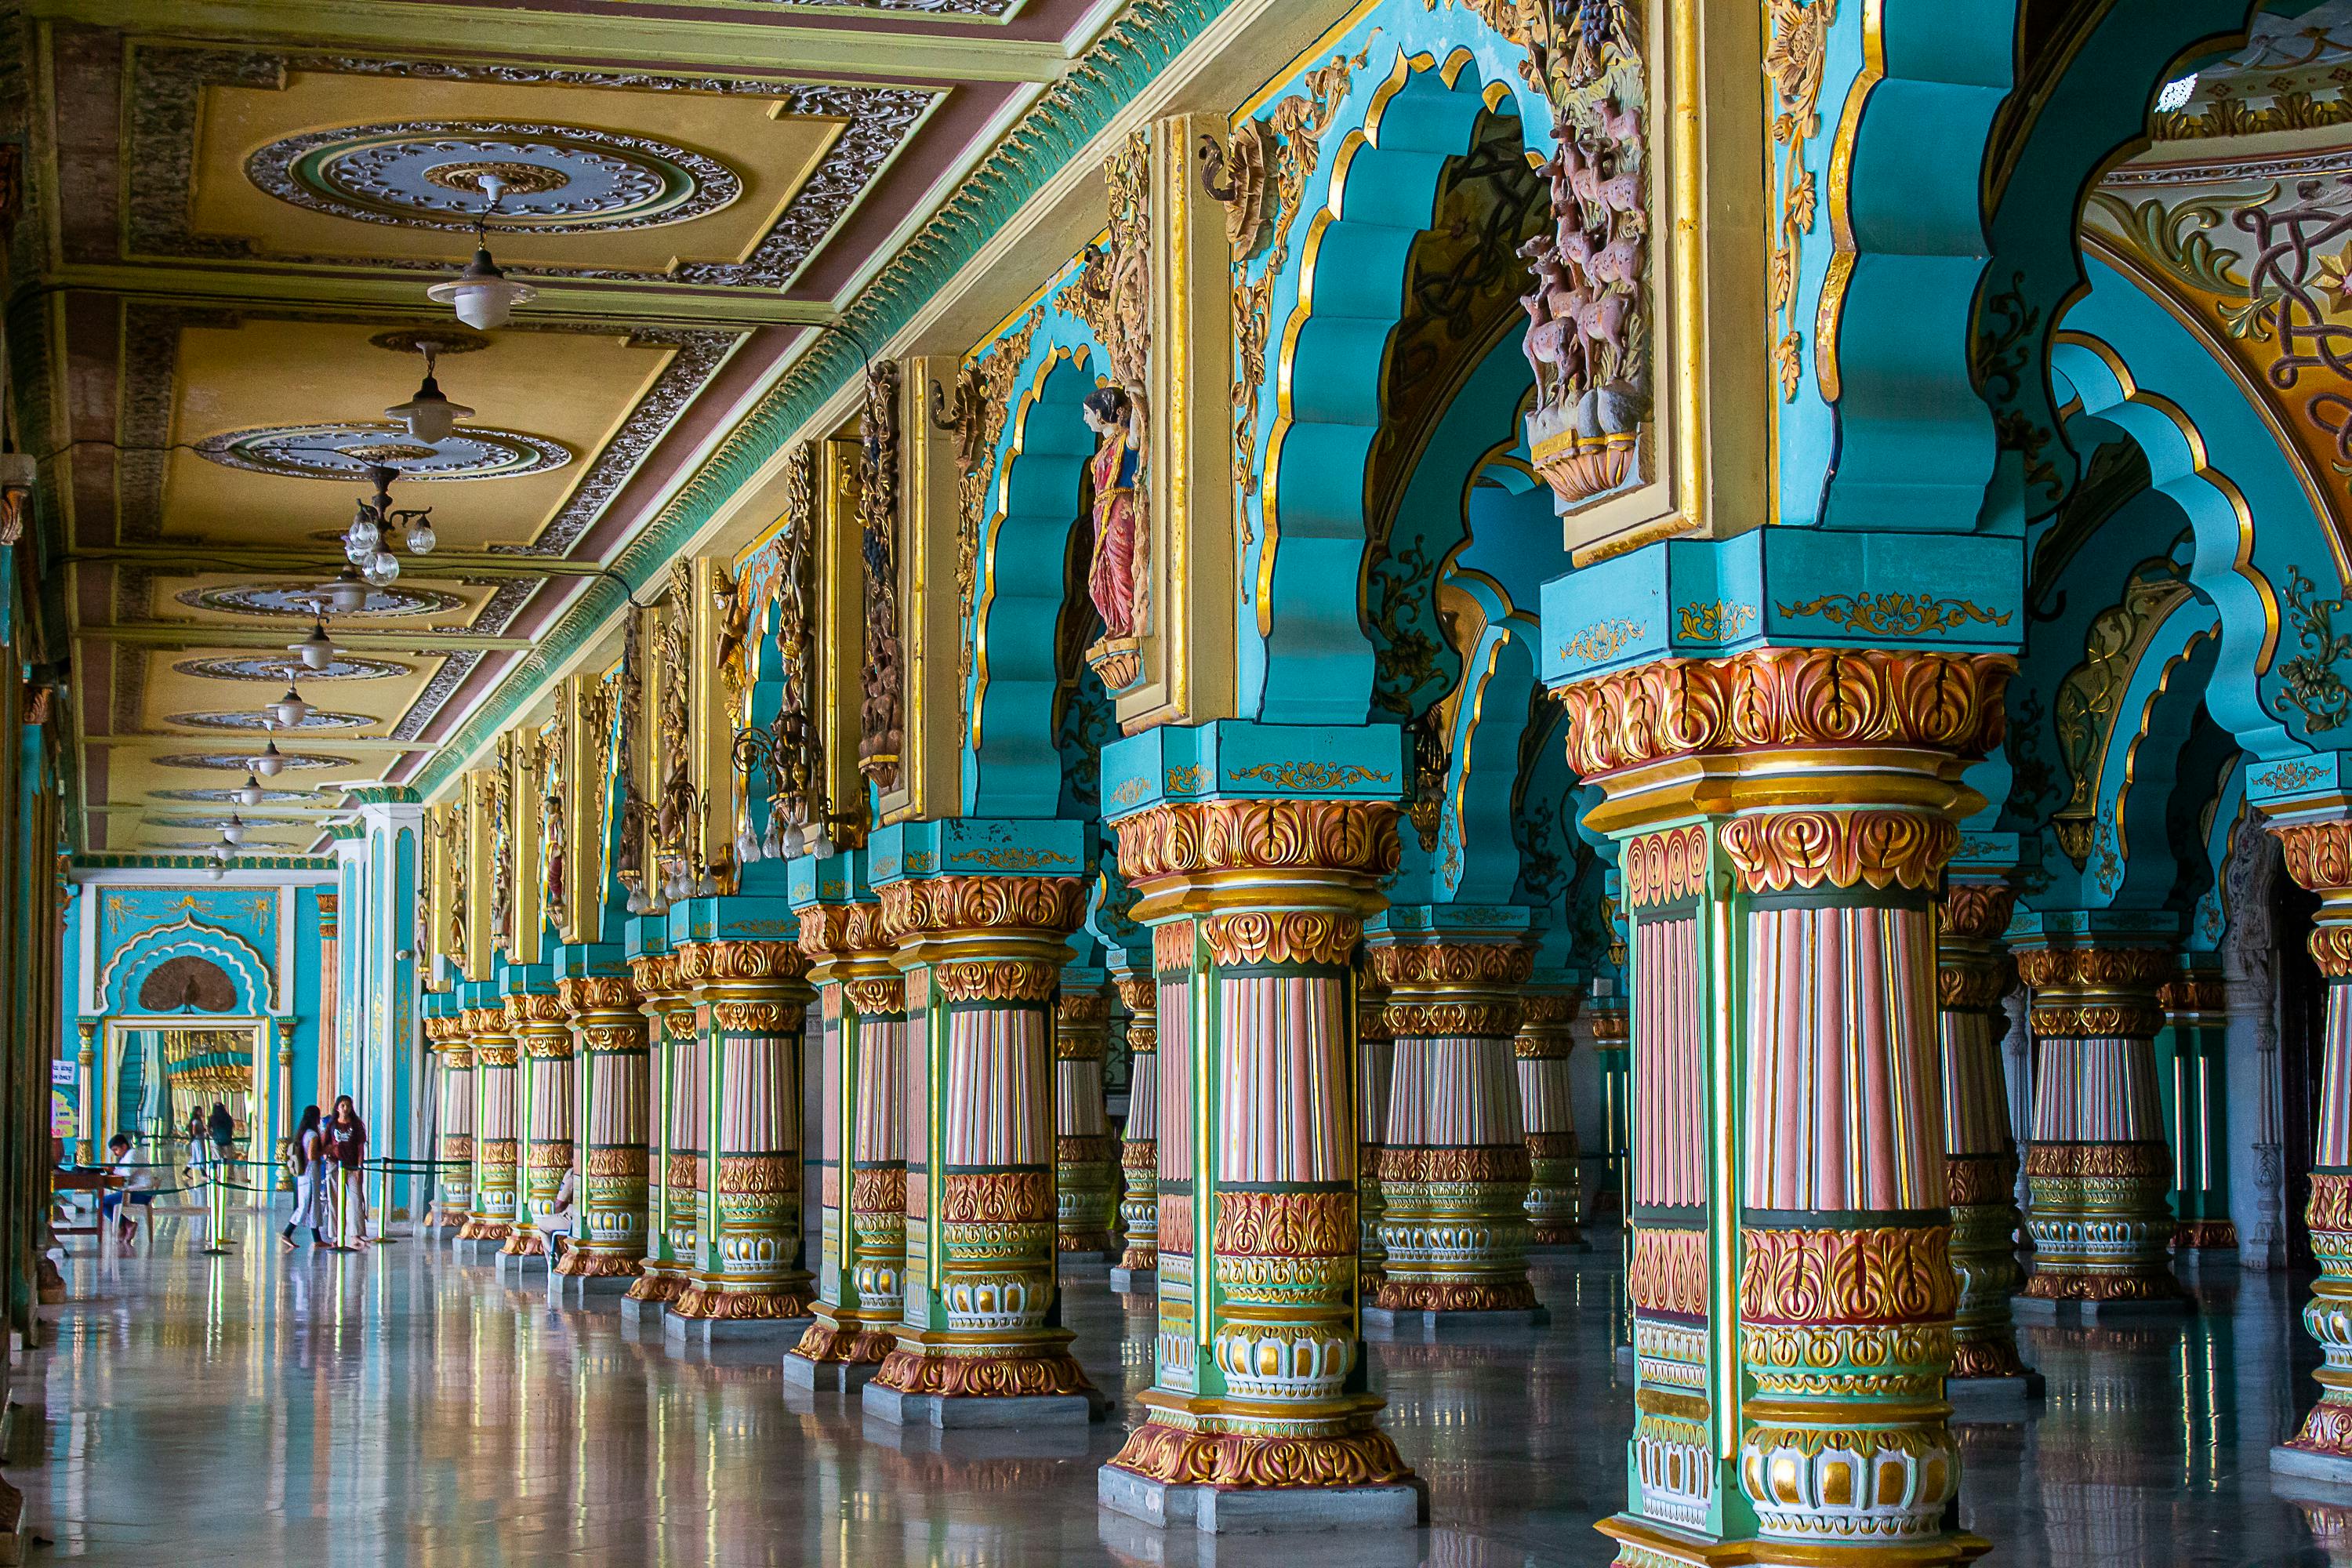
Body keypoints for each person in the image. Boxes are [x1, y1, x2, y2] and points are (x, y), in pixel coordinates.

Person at [320, 1096, 369, 1247]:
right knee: (334, 1201)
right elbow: (325, 1143)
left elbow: (360, 1148)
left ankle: (357, 1234)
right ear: (337, 1108)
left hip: (352, 1166)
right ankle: (335, 1236)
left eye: (348, 1105)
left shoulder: (356, 1125)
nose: (345, 1108)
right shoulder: (332, 1125)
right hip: (335, 1165)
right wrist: (326, 1153)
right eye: (342, 1105)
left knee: (356, 1199)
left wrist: (359, 1168)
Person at [98, 1133, 156, 1246]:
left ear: (124, 1146)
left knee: (100, 1202)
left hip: (140, 1193)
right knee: (102, 1202)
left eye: (116, 1149)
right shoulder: (126, 1157)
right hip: (133, 1192)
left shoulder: (132, 1154)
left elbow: (128, 1172)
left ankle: (124, 1225)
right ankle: (127, 1224)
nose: (115, 1153)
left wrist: (113, 1170)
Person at [281, 1105, 325, 1250]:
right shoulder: (313, 1135)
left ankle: (317, 1238)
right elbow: (312, 1155)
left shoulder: (303, 1133)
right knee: (307, 1204)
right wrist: (325, 1150)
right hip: (311, 1174)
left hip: (303, 1175)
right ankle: (287, 1232)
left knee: (311, 1205)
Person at [535, 1165, 579, 1261]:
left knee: (542, 1225)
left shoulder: (573, 1175)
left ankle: (555, 1260)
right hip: (590, 1220)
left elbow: (560, 1205)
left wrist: (555, 1214)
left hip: (572, 1220)